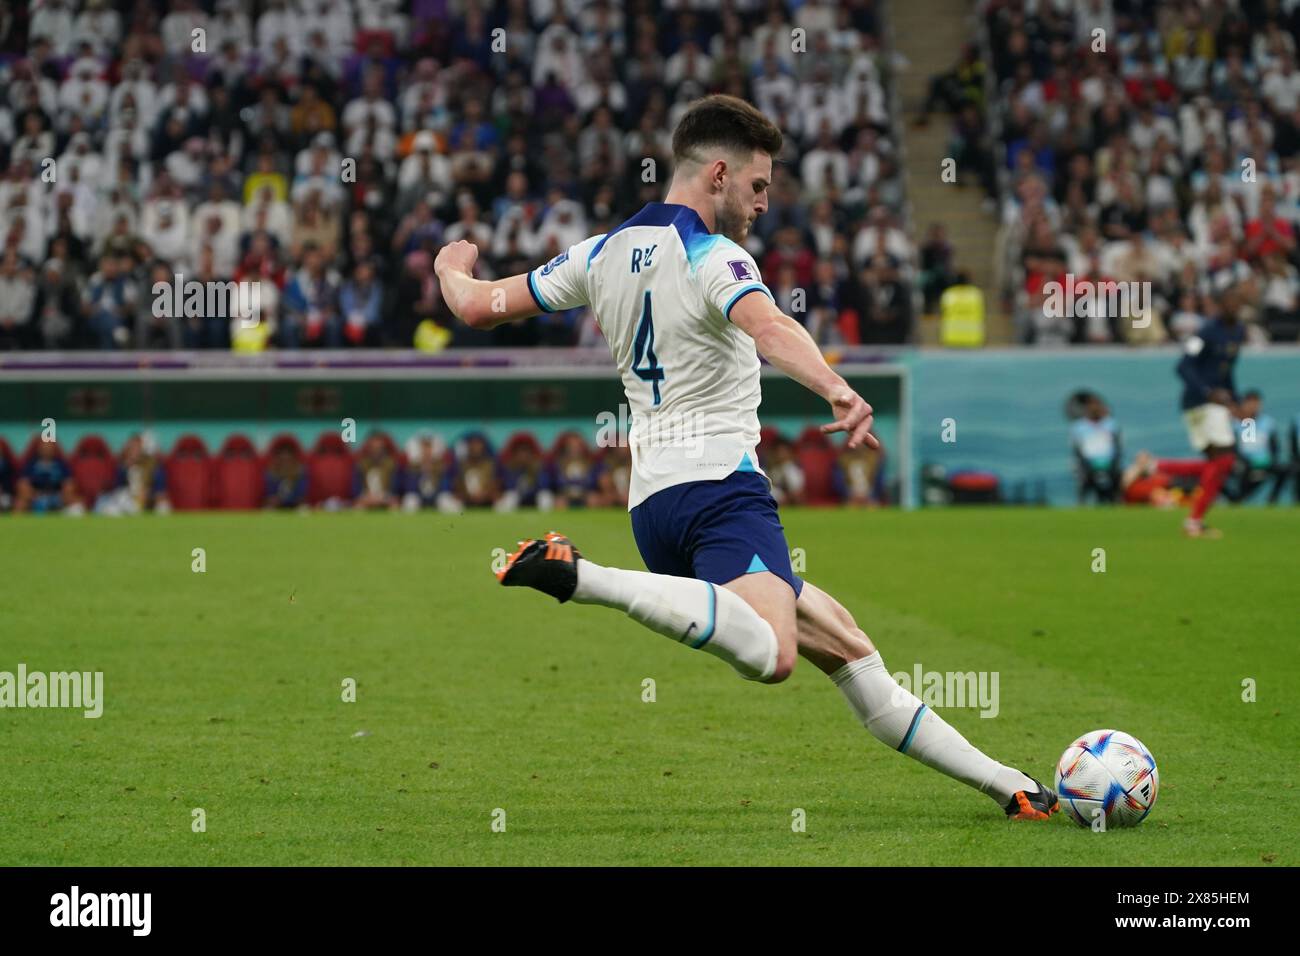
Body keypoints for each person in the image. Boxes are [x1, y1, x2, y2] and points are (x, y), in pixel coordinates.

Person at [435, 94, 1058, 820]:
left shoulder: (599, 253)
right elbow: (766, 323)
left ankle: (1011, 786)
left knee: (850, 649)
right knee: (773, 652)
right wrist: (835, 386)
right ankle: (582, 575)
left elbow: (479, 307)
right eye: (759, 187)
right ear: (720, 174)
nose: (765, 203)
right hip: (721, 493)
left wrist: (452, 264)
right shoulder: (715, 254)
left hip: (654, 506)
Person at [1174, 283, 1246, 536]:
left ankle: (1195, 521)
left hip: (1216, 404)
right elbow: (1182, 366)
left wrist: (1236, 401)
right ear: (1220, 305)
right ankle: (1158, 468)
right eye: (1229, 302)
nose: (1234, 306)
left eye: (1238, 302)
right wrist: (1207, 391)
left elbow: (1227, 372)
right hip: (1199, 403)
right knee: (1224, 459)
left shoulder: (1238, 331)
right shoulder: (1205, 333)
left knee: (1219, 464)